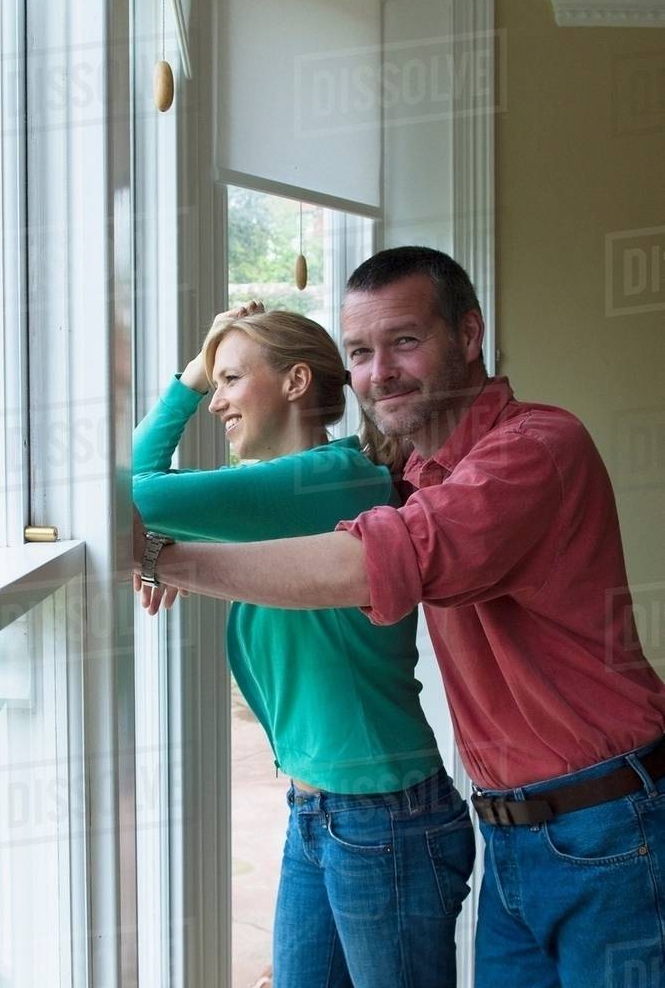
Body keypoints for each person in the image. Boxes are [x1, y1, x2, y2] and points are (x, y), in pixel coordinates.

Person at [134, 248, 665, 988]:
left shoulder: (534, 449)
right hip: (510, 828)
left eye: (405, 341)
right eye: (359, 352)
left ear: (468, 335)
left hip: (608, 824)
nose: (379, 371)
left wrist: (164, 558)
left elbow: (376, 561)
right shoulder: (410, 475)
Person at [133, 302, 475, 988]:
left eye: (229, 380)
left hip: (381, 818)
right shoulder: (287, 499)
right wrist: (200, 369)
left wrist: (188, 381)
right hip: (324, 813)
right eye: (212, 385)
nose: (214, 402)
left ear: (294, 382)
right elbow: (137, 498)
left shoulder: (324, 480)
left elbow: (128, 494)